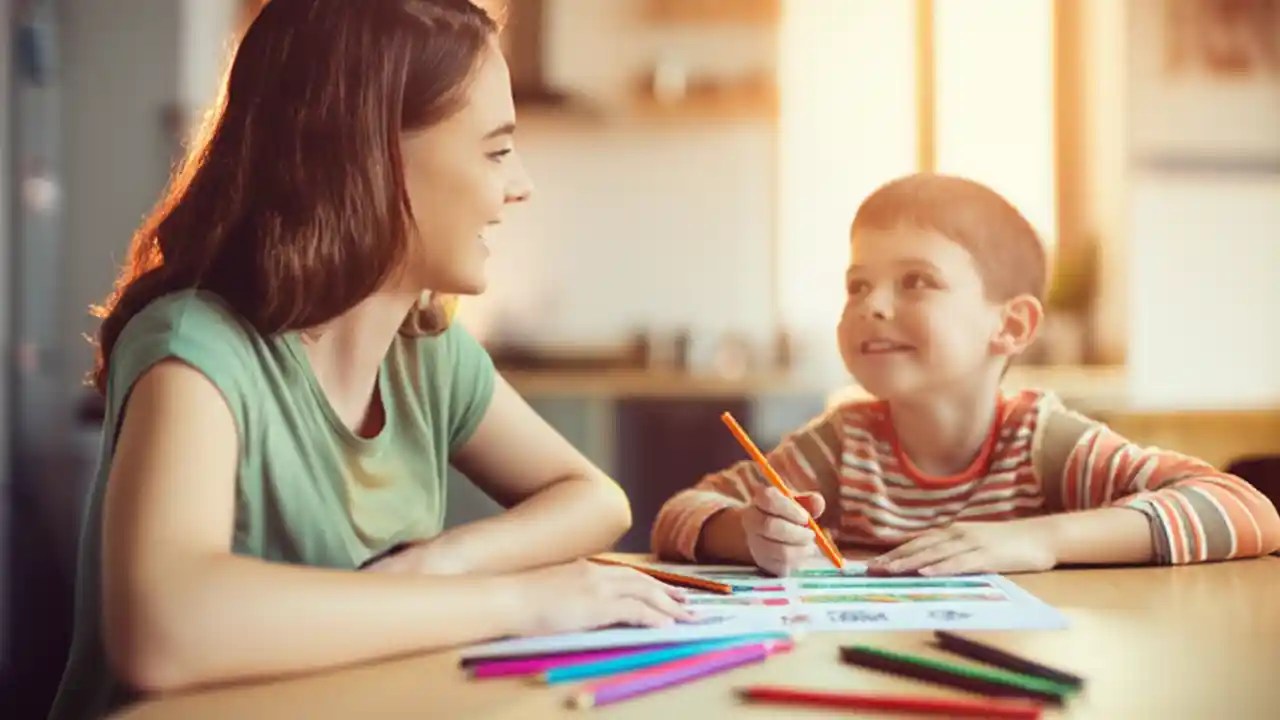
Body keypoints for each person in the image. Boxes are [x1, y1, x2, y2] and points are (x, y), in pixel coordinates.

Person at [51, 2, 690, 717]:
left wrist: (438, 564)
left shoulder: (426, 349)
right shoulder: (197, 351)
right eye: (496, 150)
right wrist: (515, 601)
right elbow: (164, 630)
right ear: (377, 158)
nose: (521, 184)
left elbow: (594, 499)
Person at [652, 172, 1280, 577]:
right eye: (857, 284)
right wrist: (748, 535)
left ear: (1009, 327)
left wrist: (1044, 540)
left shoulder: (1045, 442)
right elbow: (678, 512)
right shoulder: (842, 445)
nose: (871, 304)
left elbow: (1247, 509)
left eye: (916, 281)